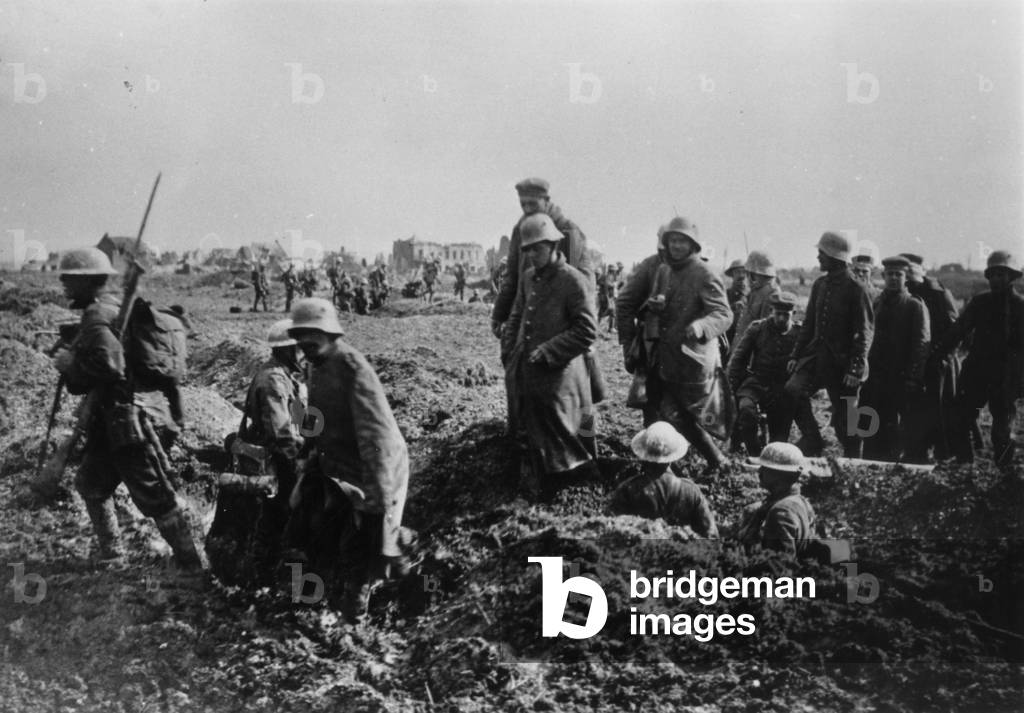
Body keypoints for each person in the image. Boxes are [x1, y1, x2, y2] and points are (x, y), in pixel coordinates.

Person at [51, 248, 206, 572]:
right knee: (91, 484)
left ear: (88, 281)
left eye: (69, 279)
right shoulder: (113, 309)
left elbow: (111, 366)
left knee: (156, 497)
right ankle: (113, 555)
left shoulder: (97, 316)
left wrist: (70, 363)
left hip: (129, 423)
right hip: (118, 421)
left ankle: (192, 565)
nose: (63, 284)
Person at [287, 298, 410, 618]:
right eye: (299, 335)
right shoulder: (314, 365)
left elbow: (376, 437)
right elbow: (315, 418)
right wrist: (308, 455)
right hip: (337, 464)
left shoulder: (353, 369)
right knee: (312, 529)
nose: (303, 343)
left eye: (310, 334)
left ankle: (356, 619)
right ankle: (314, 605)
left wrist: (378, 497)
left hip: (375, 466)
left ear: (328, 332)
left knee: (365, 549)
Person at [616, 216, 734, 476]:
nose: (676, 246)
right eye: (672, 241)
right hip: (663, 357)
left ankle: (714, 459)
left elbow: (723, 313)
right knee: (662, 407)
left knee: (684, 412)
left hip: (691, 360)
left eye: (682, 241)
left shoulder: (705, 273)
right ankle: (666, 463)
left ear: (692, 244)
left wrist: (702, 327)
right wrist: (654, 307)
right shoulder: (663, 270)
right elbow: (635, 303)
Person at [502, 213, 598, 499]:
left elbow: (587, 330)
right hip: (529, 370)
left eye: (537, 248)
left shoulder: (572, 280)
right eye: (527, 249)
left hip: (562, 374)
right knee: (529, 426)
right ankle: (541, 482)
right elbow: (517, 314)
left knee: (571, 429)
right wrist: (510, 349)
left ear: (554, 245)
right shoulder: (528, 278)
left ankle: (578, 482)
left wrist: (550, 350)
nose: (532, 255)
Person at [207, 319, 305, 584]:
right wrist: (302, 463)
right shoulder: (273, 380)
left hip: (277, 460)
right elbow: (281, 433)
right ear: (286, 350)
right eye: (299, 347)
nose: (304, 352)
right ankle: (265, 582)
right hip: (274, 465)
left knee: (275, 525)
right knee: (280, 525)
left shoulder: (284, 376)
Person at [785, 232, 874, 457]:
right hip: (817, 359)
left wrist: (855, 369)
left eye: (822, 253)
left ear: (835, 256)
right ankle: (813, 440)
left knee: (848, 421)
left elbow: (864, 332)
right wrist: (796, 355)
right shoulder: (820, 284)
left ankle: (854, 461)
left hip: (843, 366)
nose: (818, 257)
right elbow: (809, 324)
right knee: (792, 391)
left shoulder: (856, 288)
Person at [934, 250, 1024, 467]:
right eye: (992, 275)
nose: (995, 279)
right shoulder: (980, 302)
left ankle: (1003, 474)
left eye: (1001, 275)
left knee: (1002, 430)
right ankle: (965, 465)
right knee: (960, 418)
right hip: (977, 373)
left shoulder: (1020, 306)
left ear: (1011, 277)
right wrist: (938, 352)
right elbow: (959, 330)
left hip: (1005, 377)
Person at [492, 178, 593, 337]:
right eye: (523, 204)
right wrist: (499, 315)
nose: (527, 209)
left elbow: (580, 285)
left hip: (558, 323)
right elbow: (511, 276)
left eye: (533, 204)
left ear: (546, 201)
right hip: (525, 315)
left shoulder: (567, 231)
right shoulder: (520, 229)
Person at [856, 256, 930, 461]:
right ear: (883, 276)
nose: (894, 278)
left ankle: (892, 470)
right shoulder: (876, 302)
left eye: (899, 274)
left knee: (895, 430)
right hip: (874, 379)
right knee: (869, 425)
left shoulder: (914, 306)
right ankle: (871, 466)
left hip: (899, 379)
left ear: (906, 278)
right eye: (890, 274)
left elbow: (921, 346)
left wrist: (913, 378)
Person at [608, 422, 718, 537]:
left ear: (642, 455)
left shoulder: (628, 489)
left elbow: (610, 530)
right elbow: (711, 534)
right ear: (673, 457)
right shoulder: (692, 492)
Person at [900, 253, 960, 462]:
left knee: (940, 414)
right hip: (914, 363)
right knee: (914, 412)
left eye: (911, 280)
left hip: (939, 364)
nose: (908, 285)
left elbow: (955, 333)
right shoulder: (905, 295)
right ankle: (916, 454)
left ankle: (945, 458)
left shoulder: (939, 294)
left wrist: (937, 356)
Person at [727, 292, 802, 455]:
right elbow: (738, 358)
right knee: (746, 411)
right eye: (778, 314)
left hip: (782, 388)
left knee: (779, 437)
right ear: (771, 311)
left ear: (793, 314)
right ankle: (754, 453)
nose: (781, 318)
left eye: (786, 315)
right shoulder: (757, 328)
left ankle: (771, 458)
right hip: (756, 382)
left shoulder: (799, 334)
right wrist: (732, 386)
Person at [736, 442, 817, 558]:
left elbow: (778, 564)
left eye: (766, 468)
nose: (760, 472)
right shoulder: (799, 502)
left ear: (780, 475)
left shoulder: (780, 512)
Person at [732, 251, 781, 344]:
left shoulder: (772, 294)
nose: (748, 278)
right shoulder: (757, 290)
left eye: (751, 274)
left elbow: (765, 333)